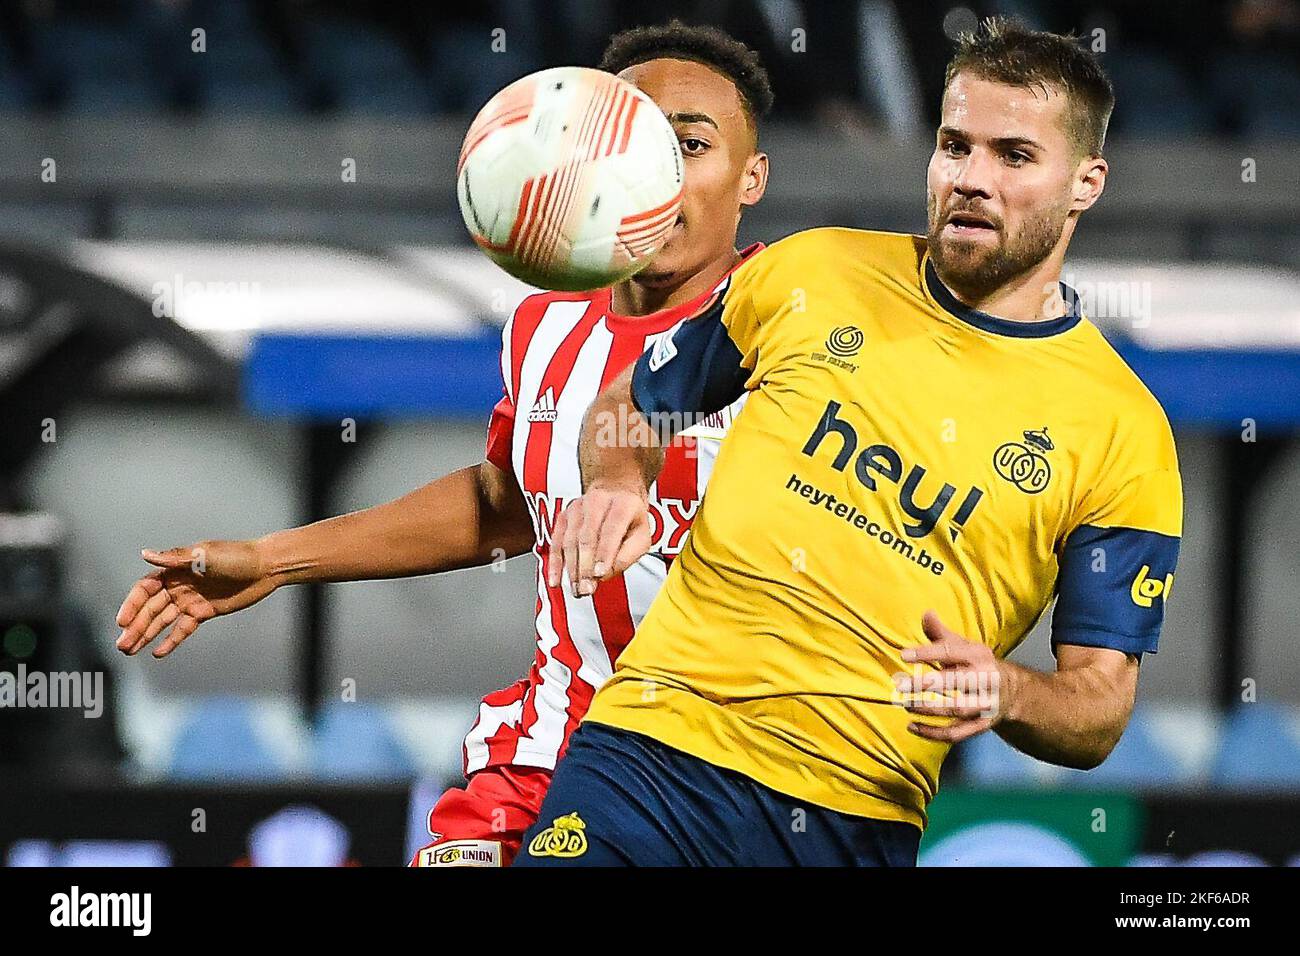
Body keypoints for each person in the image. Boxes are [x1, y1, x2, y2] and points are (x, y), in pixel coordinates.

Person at [112, 21, 772, 867]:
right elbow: (505, 503)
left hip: (736, 769)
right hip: (555, 750)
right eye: (638, 143)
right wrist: (272, 559)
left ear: (752, 177)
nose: (659, 175)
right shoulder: (544, 324)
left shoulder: (796, 331)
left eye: (690, 145)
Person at [527, 17, 1182, 866]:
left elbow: (1098, 707)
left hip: (851, 818)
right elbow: (632, 401)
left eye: (1014, 156)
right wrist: (617, 482)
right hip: (648, 753)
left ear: (1086, 183)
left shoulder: (1125, 433)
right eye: (955, 146)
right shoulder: (813, 272)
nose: (972, 179)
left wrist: (1007, 690)